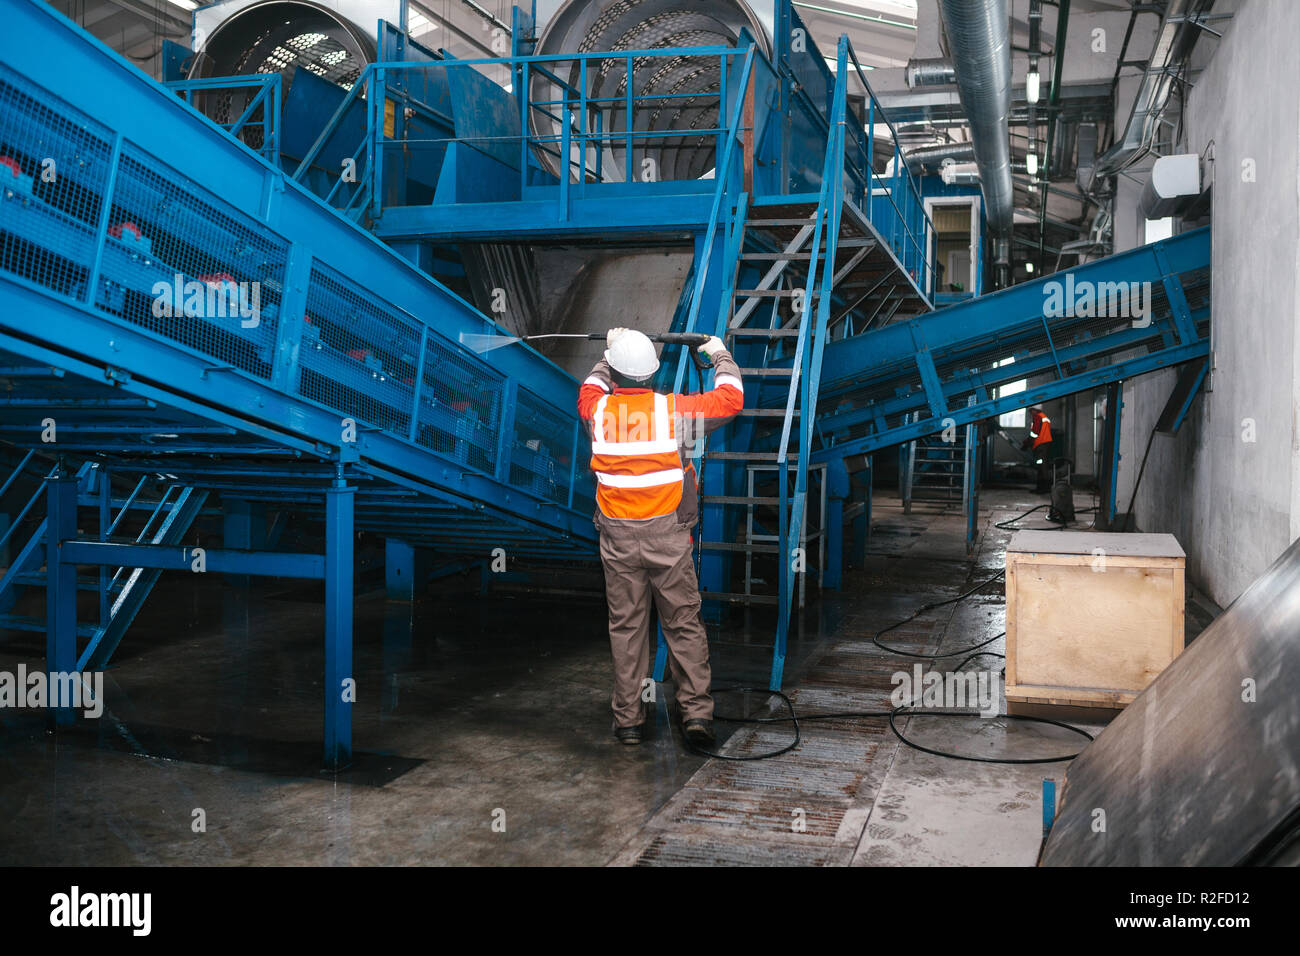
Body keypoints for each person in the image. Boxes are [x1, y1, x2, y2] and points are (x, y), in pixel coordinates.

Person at [577, 327, 744, 748]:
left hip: (616, 538)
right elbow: (731, 398)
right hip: (667, 538)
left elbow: (590, 387)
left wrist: (609, 348)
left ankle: (629, 720)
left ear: (615, 374)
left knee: (627, 627)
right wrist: (718, 353)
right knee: (683, 623)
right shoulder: (675, 414)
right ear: (651, 375)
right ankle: (696, 717)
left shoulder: (597, 412)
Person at [1022, 406, 1055, 493]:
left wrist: (1027, 442)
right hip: (1044, 444)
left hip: (1041, 445)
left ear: (1034, 410)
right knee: (1041, 465)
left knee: (1042, 467)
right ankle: (1041, 488)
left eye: (1030, 411)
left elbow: (1034, 433)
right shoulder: (1043, 416)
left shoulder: (1038, 417)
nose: (1030, 413)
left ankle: (1044, 488)